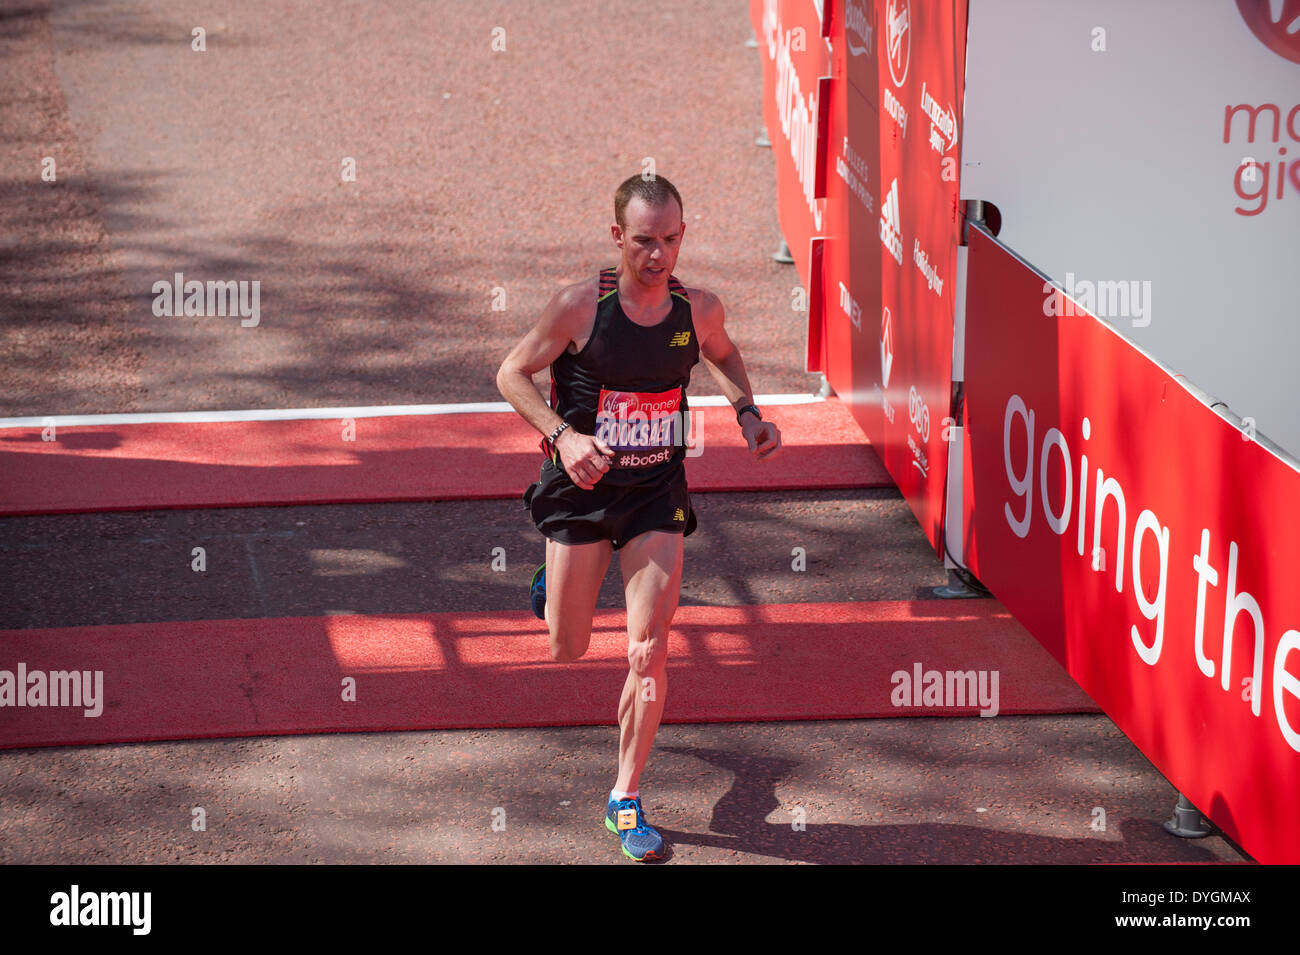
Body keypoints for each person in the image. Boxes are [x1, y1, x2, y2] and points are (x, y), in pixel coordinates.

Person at [495, 173, 782, 861]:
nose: (659, 255)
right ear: (617, 237)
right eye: (646, 241)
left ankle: (624, 795)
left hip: (656, 492)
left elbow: (723, 353)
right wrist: (564, 438)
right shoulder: (578, 309)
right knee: (568, 645)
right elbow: (511, 372)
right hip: (583, 488)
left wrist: (748, 413)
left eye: (672, 240)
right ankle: (552, 584)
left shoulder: (697, 309)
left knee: (648, 646)